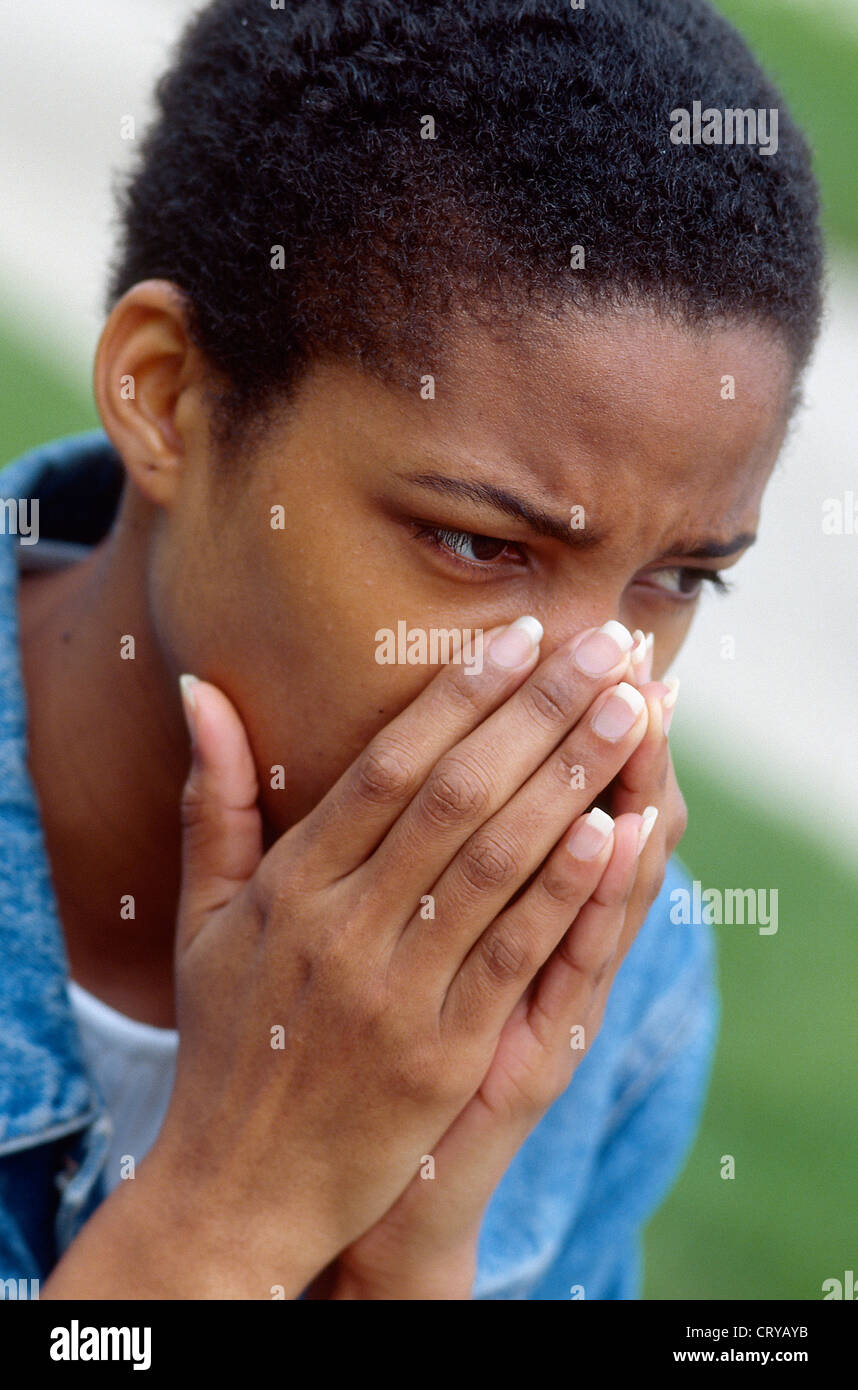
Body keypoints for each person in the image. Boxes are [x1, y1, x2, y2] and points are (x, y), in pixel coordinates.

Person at [0, 0, 822, 1299]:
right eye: (478, 546)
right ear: (166, 395)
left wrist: (406, 1263)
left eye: (676, 580)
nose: (591, 703)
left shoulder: (620, 976)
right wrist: (229, 1216)